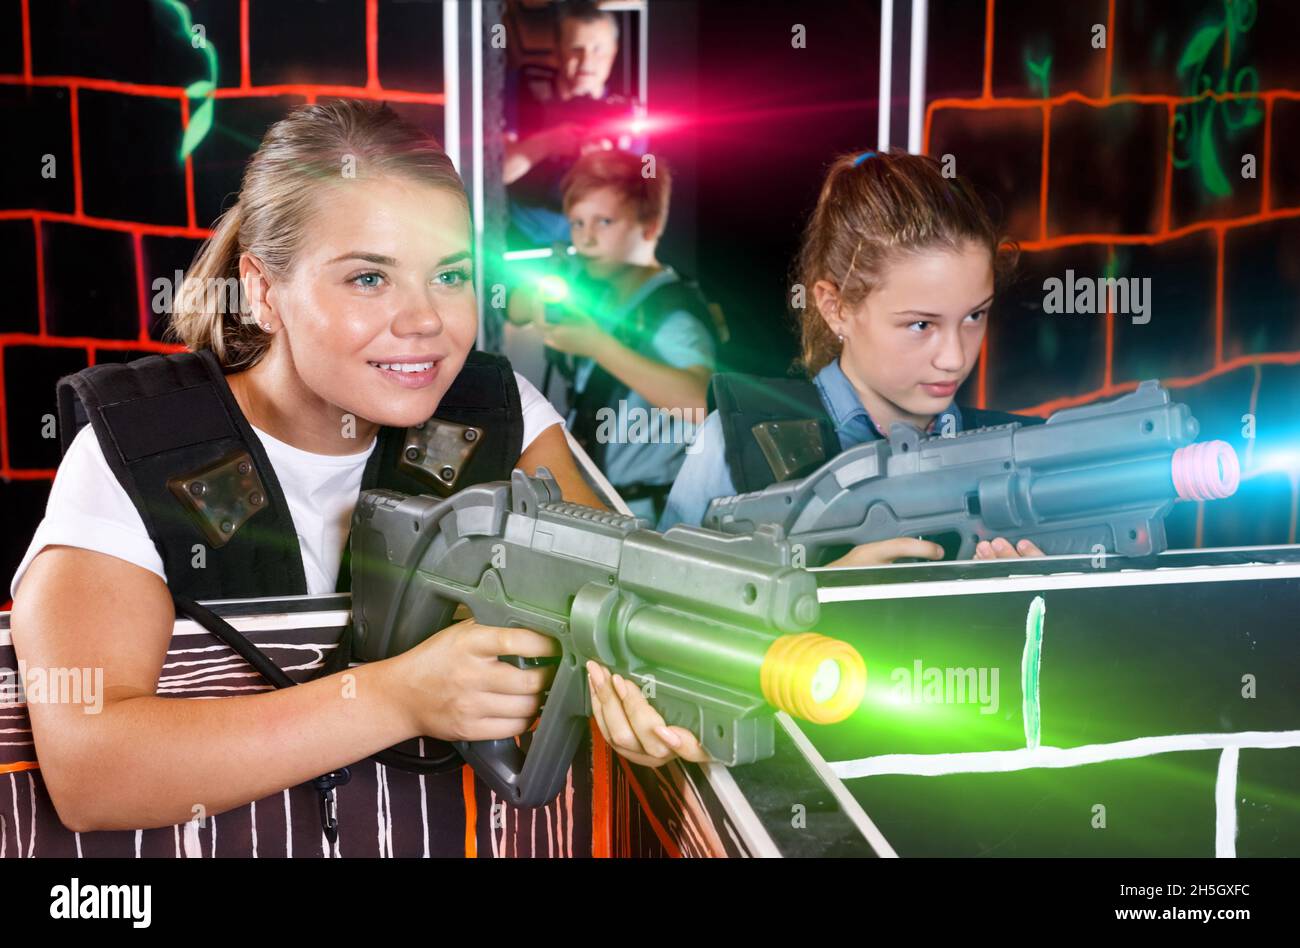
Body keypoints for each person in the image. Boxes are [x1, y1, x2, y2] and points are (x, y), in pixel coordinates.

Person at [7, 100, 704, 859]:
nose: (424, 320)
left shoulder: (498, 413)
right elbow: (92, 772)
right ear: (264, 291)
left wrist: (641, 708)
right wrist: (399, 696)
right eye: (369, 277)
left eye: (450, 275)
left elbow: (617, 616)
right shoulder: (136, 447)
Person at [659, 149, 1046, 566]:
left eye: (974, 315)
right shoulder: (740, 440)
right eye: (921, 325)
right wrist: (821, 593)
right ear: (835, 307)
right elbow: (654, 609)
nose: (954, 358)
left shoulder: (1025, 453)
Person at [508, 150, 719, 522]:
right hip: (597, 505)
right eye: (577, 224)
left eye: (604, 222)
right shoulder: (597, 289)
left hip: (649, 515)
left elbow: (700, 402)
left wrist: (596, 345)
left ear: (650, 226)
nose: (586, 240)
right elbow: (516, 306)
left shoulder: (673, 311)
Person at [503, 0, 643, 246]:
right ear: (557, 52)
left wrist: (606, 169)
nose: (587, 60)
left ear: (614, 51)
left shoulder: (627, 113)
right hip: (521, 232)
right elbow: (494, 172)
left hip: (590, 244)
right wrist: (548, 143)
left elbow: (645, 188)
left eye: (598, 49)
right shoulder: (525, 88)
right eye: (576, 49)